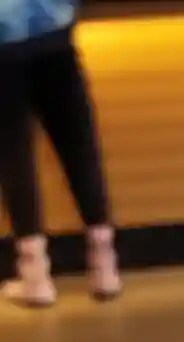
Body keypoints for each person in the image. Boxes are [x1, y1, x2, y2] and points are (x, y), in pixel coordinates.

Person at [1, 0, 121, 307]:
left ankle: (36, 276)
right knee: (80, 150)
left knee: (15, 158)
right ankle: (104, 266)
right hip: (56, 35)